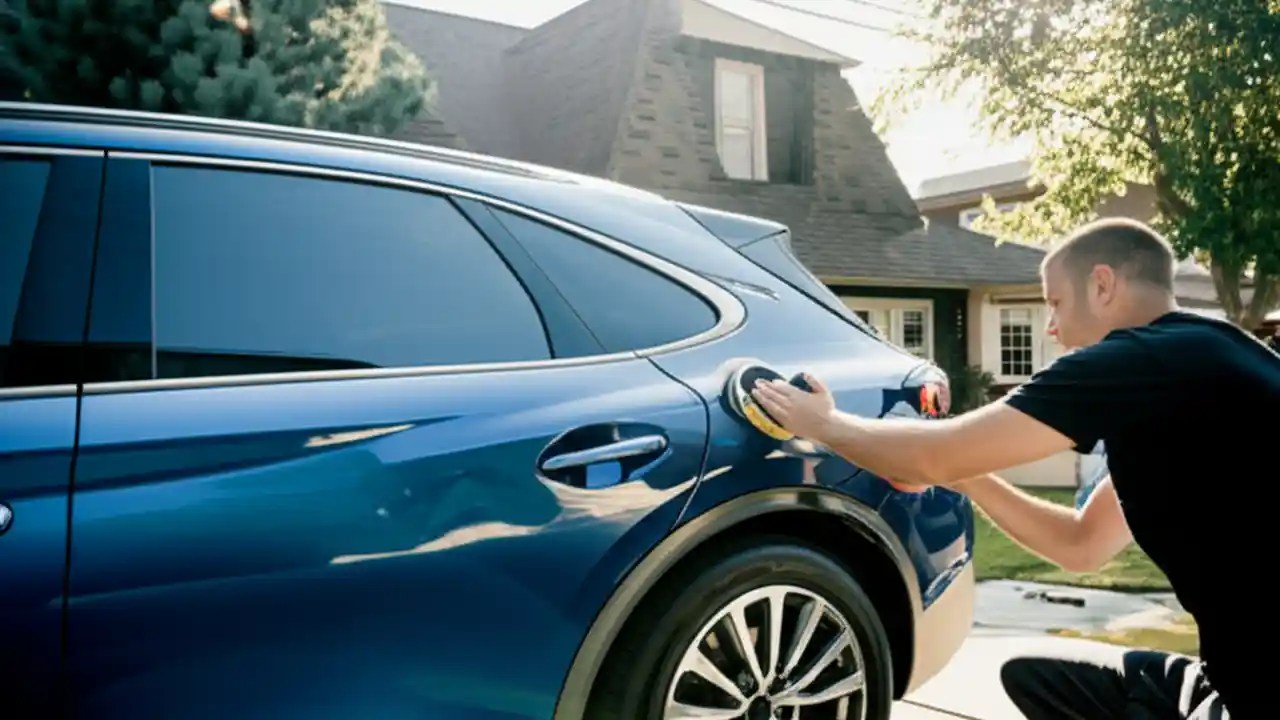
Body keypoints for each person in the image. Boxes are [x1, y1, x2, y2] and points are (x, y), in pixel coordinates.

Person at [752, 218, 1280, 719]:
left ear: (1102, 285)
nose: (1051, 328)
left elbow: (935, 452)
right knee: (1040, 680)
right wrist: (965, 477)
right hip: (1226, 674)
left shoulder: (1142, 359)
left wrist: (824, 424)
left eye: (1055, 303)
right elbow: (1082, 544)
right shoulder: (1201, 366)